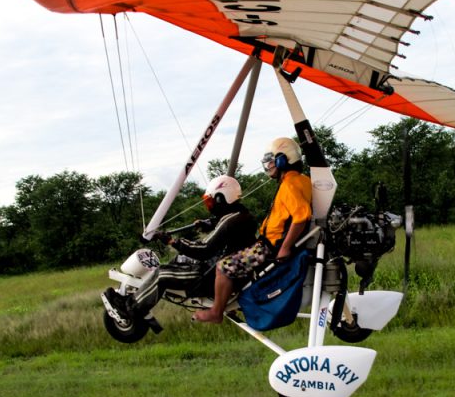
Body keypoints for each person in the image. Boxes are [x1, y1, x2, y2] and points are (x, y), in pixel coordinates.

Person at [103, 175, 256, 321]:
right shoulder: (242, 215)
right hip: (221, 268)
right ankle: (143, 296)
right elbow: (225, 226)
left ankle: (130, 309)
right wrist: (208, 224)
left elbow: (203, 250)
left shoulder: (230, 222)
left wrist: (172, 241)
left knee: (162, 274)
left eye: (210, 202)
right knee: (180, 259)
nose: (209, 206)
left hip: (209, 278)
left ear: (220, 198)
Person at [193, 137, 313, 324]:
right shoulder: (302, 180)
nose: (268, 165)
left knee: (223, 267)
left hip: (270, 247)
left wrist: (285, 247)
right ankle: (231, 302)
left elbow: (301, 217)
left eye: (272, 160)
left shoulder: (289, 185)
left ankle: (216, 311)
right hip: (268, 242)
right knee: (235, 257)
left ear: (283, 161)